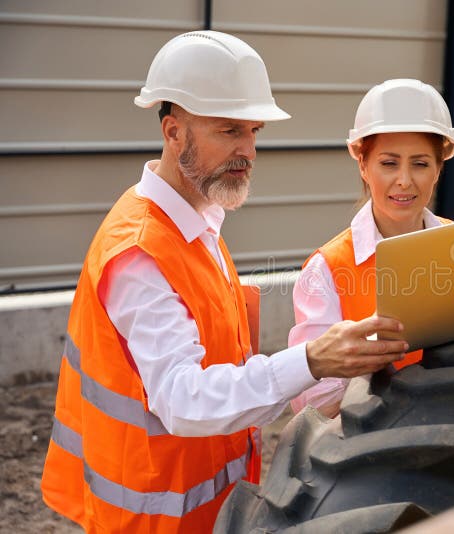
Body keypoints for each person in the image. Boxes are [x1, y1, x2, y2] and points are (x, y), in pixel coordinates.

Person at [40, 31, 408, 533]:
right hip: (153, 519)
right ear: (174, 133)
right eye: (229, 130)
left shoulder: (196, 223)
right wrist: (310, 360)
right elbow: (183, 399)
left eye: (253, 130)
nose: (249, 150)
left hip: (205, 508)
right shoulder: (138, 252)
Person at [289, 79, 454, 417]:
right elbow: (310, 404)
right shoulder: (327, 269)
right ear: (363, 165)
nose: (404, 180)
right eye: (389, 163)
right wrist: (363, 361)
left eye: (421, 164)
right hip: (373, 454)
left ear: (439, 168)